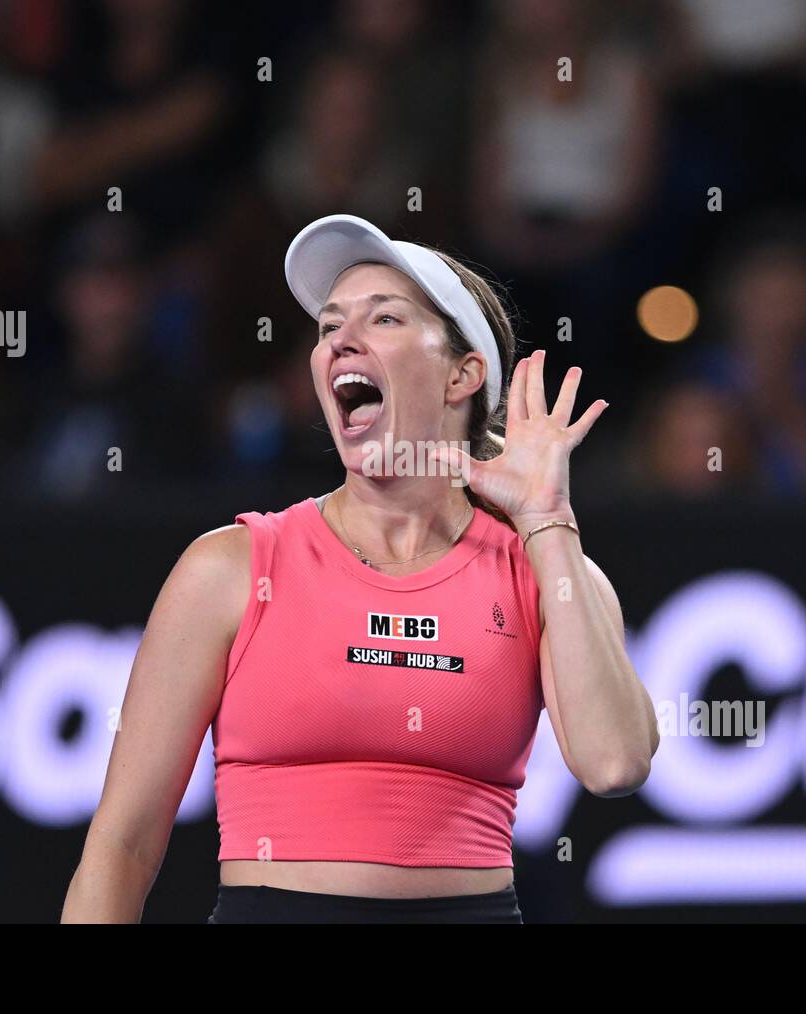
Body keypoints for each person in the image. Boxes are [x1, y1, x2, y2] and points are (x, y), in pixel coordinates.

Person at [60, 214, 659, 924]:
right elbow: (123, 843)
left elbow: (615, 763)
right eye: (329, 325)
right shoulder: (231, 567)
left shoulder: (545, 573)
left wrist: (547, 523)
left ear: (463, 374)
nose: (341, 338)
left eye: (384, 318)